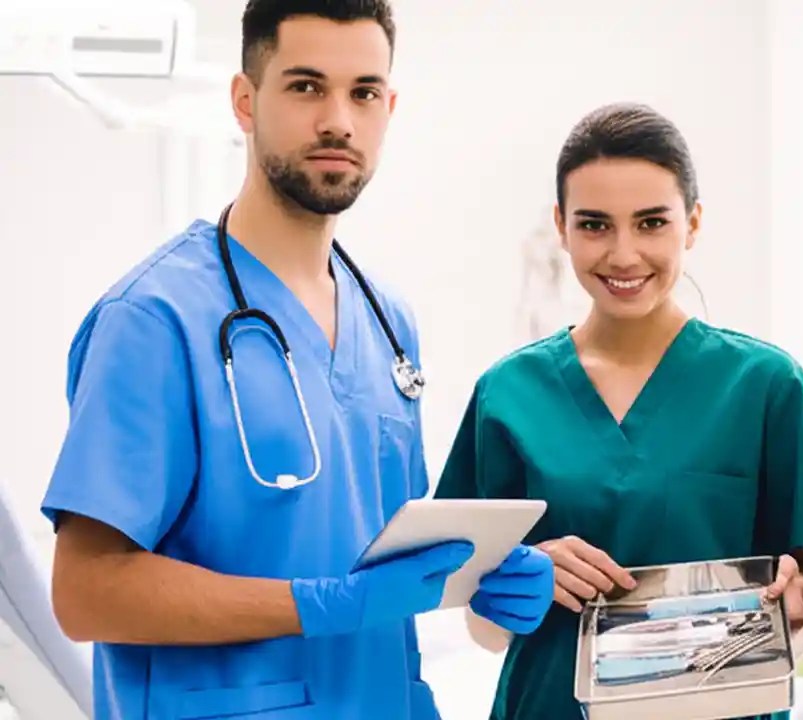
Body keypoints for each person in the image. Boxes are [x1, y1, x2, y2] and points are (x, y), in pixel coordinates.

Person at [41, 2, 554, 718]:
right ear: (245, 102)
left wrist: (483, 578)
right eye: (307, 87)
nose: (338, 120)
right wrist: (320, 605)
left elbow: (384, 560)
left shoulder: (387, 321)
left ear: (389, 107)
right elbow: (86, 593)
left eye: (363, 93)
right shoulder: (154, 320)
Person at [433, 102, 803, 720]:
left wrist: (794, 601)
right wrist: (521, 582)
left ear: (691, 225)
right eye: (594, 225)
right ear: (561, 226)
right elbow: (479, 622)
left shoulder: (765, 386)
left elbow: (801, 606)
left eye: (650, 223)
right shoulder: (508, 394)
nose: (622, 254)